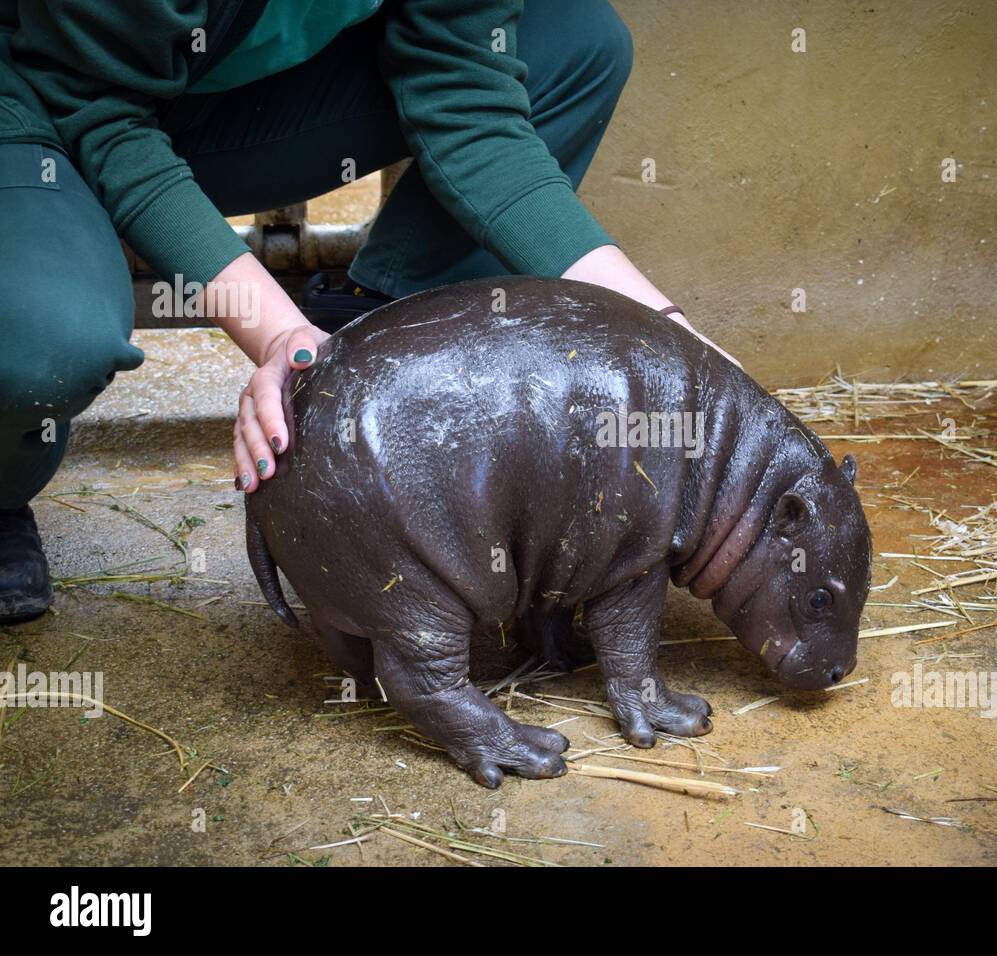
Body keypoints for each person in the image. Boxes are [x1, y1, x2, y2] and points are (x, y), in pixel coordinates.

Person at [0, 0, 736, 624]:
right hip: (37, 96)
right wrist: (277, 336)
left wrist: (668, 331)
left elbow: (469, 103)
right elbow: (102, 121)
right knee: (41, 351)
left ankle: (380, 353)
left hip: (197, 104)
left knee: (571, 41)